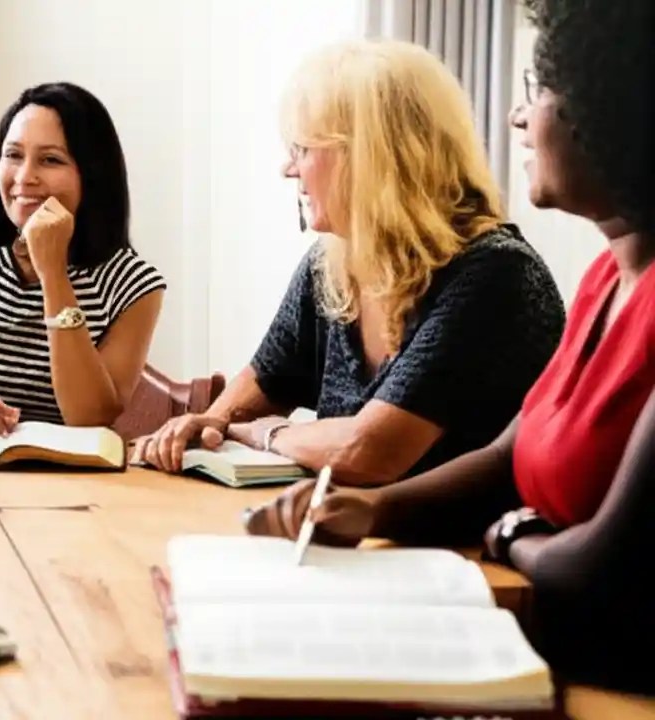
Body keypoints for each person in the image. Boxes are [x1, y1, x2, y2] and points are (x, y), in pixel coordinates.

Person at [246, 0, 653, 693]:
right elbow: (504, 457)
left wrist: (509, 534)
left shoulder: (504, 271)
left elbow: (602, 567)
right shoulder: (602, 283)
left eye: (541, 92)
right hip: (529, 648)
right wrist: (374, 511)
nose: (519, 118)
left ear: (610, 104)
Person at [136, 39, 565, 486]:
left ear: (369, 156)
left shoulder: (496, 273)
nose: (289, 168)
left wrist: (270, 433)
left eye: (302, 149)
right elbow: (250, 397)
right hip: (366, 543)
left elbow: (370, 452)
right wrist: (206, 424)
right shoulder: (331, 265)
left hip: (469, 551)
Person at [0, 82, 167, 434]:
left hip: (71, 481)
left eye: (50, 160)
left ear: (93, 175)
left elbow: (89, 416)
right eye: (13, 155)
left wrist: (52, 273)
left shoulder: (135, 286)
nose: (23, 178)